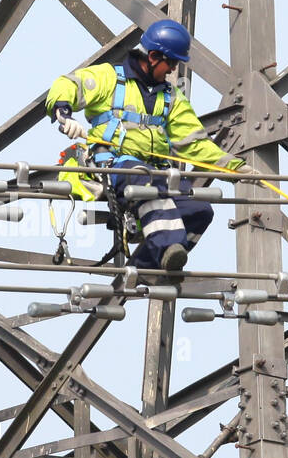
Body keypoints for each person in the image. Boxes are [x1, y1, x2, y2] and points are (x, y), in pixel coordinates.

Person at [44, 19, 250, 271]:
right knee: (146, 185)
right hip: (116, 166)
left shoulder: (170, 98)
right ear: (153, 56)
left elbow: (196, 145)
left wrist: (235, 169)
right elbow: (68, 84)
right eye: (171, 62)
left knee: (199, 210)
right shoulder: (110, 79)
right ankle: (165, 248)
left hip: (157, 172)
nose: (173, 70)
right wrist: (63, 112)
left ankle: (149, 268)